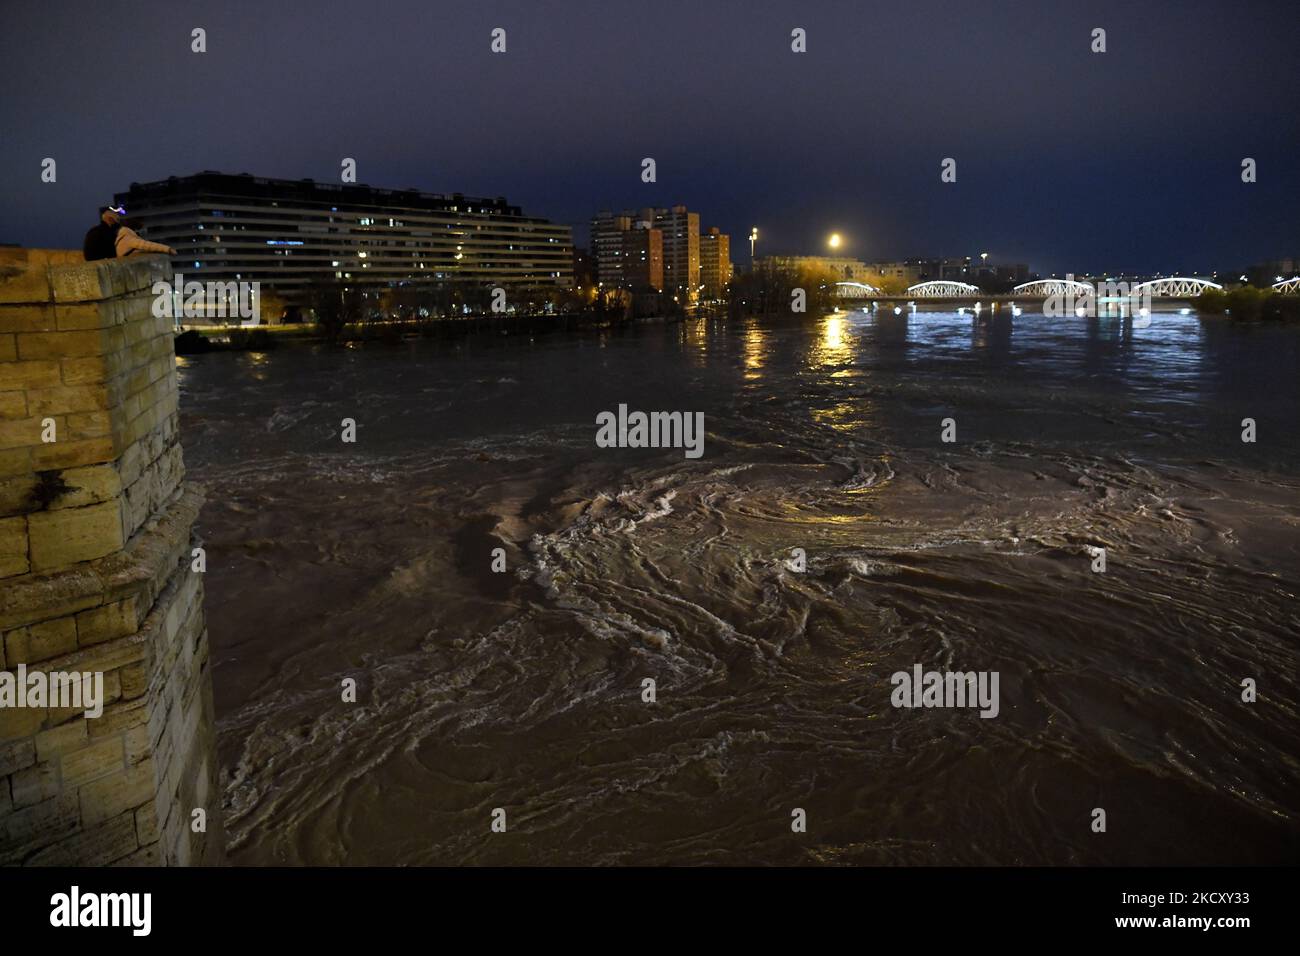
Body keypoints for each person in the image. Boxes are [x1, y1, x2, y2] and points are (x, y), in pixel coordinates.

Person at [83, 204, 176, 261]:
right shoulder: (125, 236)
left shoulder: (98, 230)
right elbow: (145, 244)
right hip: (100, 258)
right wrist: (168, 249)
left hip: (91, 258)